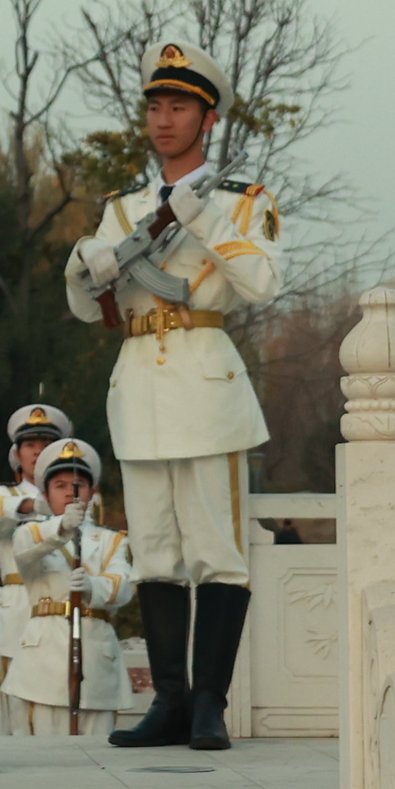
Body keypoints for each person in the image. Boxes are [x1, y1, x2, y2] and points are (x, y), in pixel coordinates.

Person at [63, 41, 283, 752]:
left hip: (204, 381)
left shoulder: (241, 204)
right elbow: (84, 300)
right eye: (156, 106)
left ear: (207, 118)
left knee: (217, 553)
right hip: (142, 387)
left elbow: (262, 283)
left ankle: (211, 704)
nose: (164, 119)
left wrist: (201, 219)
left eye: (179, 107)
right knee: (155, 552)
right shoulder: (121, 209)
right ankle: (170, 699)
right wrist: (85, 264)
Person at [2, 438, 133, 736]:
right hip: (44, 661)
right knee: (43, 753)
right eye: (59, 486)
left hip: (97, 660)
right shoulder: (31, 532)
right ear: (46, 494)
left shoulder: (112, 540)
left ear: (92, 493)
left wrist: (92, 587)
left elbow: (123, 587)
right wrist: (61, 528)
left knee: (98, 755)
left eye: (78, 485)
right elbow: (26, 553)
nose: (70, 492)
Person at [0, 402, 74, 736]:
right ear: (16, 455)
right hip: (21, 606)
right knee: (19, 707)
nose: (38, 452)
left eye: (46, 445)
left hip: (66, 608)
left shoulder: (81, 499)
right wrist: (40, 505)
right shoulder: (2, 494)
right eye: (30, 445)